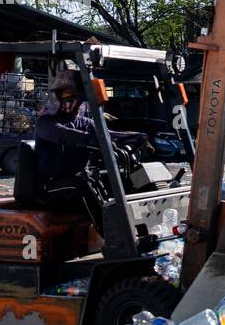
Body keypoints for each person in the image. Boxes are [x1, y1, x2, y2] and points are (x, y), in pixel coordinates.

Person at [33, 69, 147, 219]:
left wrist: (132, 137)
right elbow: (65, 135)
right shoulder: (45, 122)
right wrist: (96, 140)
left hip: (79, 177)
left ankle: (142, 220)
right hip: (50, 186)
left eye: (75, 96)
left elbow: (107, 135)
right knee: (84, 184)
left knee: (121, 178)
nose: (71, 101)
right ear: (57, 96)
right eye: (66, 96)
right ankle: (112, 232)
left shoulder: (86, 122)